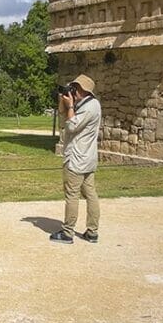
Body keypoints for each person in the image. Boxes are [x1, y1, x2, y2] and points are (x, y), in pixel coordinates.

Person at [50, 74, 101, 244]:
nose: (74, 91)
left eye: (76, 89)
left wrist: (70, 105)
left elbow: (71, 126)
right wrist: (63, 101)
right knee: (90, 194)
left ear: (84, 91)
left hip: (77, 158)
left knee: (72, 195)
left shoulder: (89, 108)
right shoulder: (88, 104)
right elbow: (63, 117)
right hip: (87, 158)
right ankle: (92, 232)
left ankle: (67, 233)